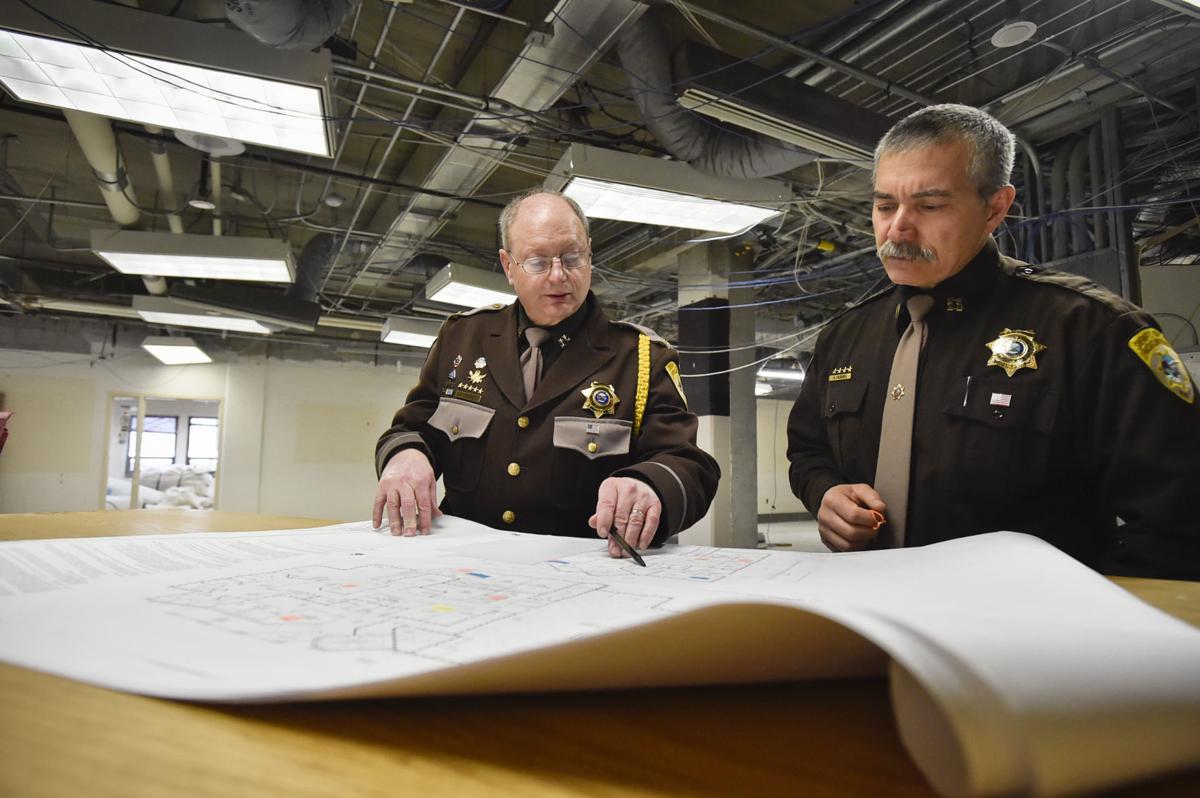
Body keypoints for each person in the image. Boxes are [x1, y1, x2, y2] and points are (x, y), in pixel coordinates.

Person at [787, 103, 1200, 579]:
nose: (897, 227)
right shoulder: (846, 336)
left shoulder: (1089, 330)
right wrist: (825, 492)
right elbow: (808, 449)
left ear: (995, 207)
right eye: (884, 205)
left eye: (930, 205)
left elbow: (1177, 517)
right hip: (873, 614)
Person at [373, 189, 720, 558]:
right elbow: (414, 428)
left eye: (572, 257)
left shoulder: (641, 358)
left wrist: (649, 485)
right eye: (538, 262)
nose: (559, 276)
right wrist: (406, 455)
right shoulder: (462, 338)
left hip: (580, 575)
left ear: (589, 253)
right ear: (509, 266)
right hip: (464, 563)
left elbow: (689, 465)